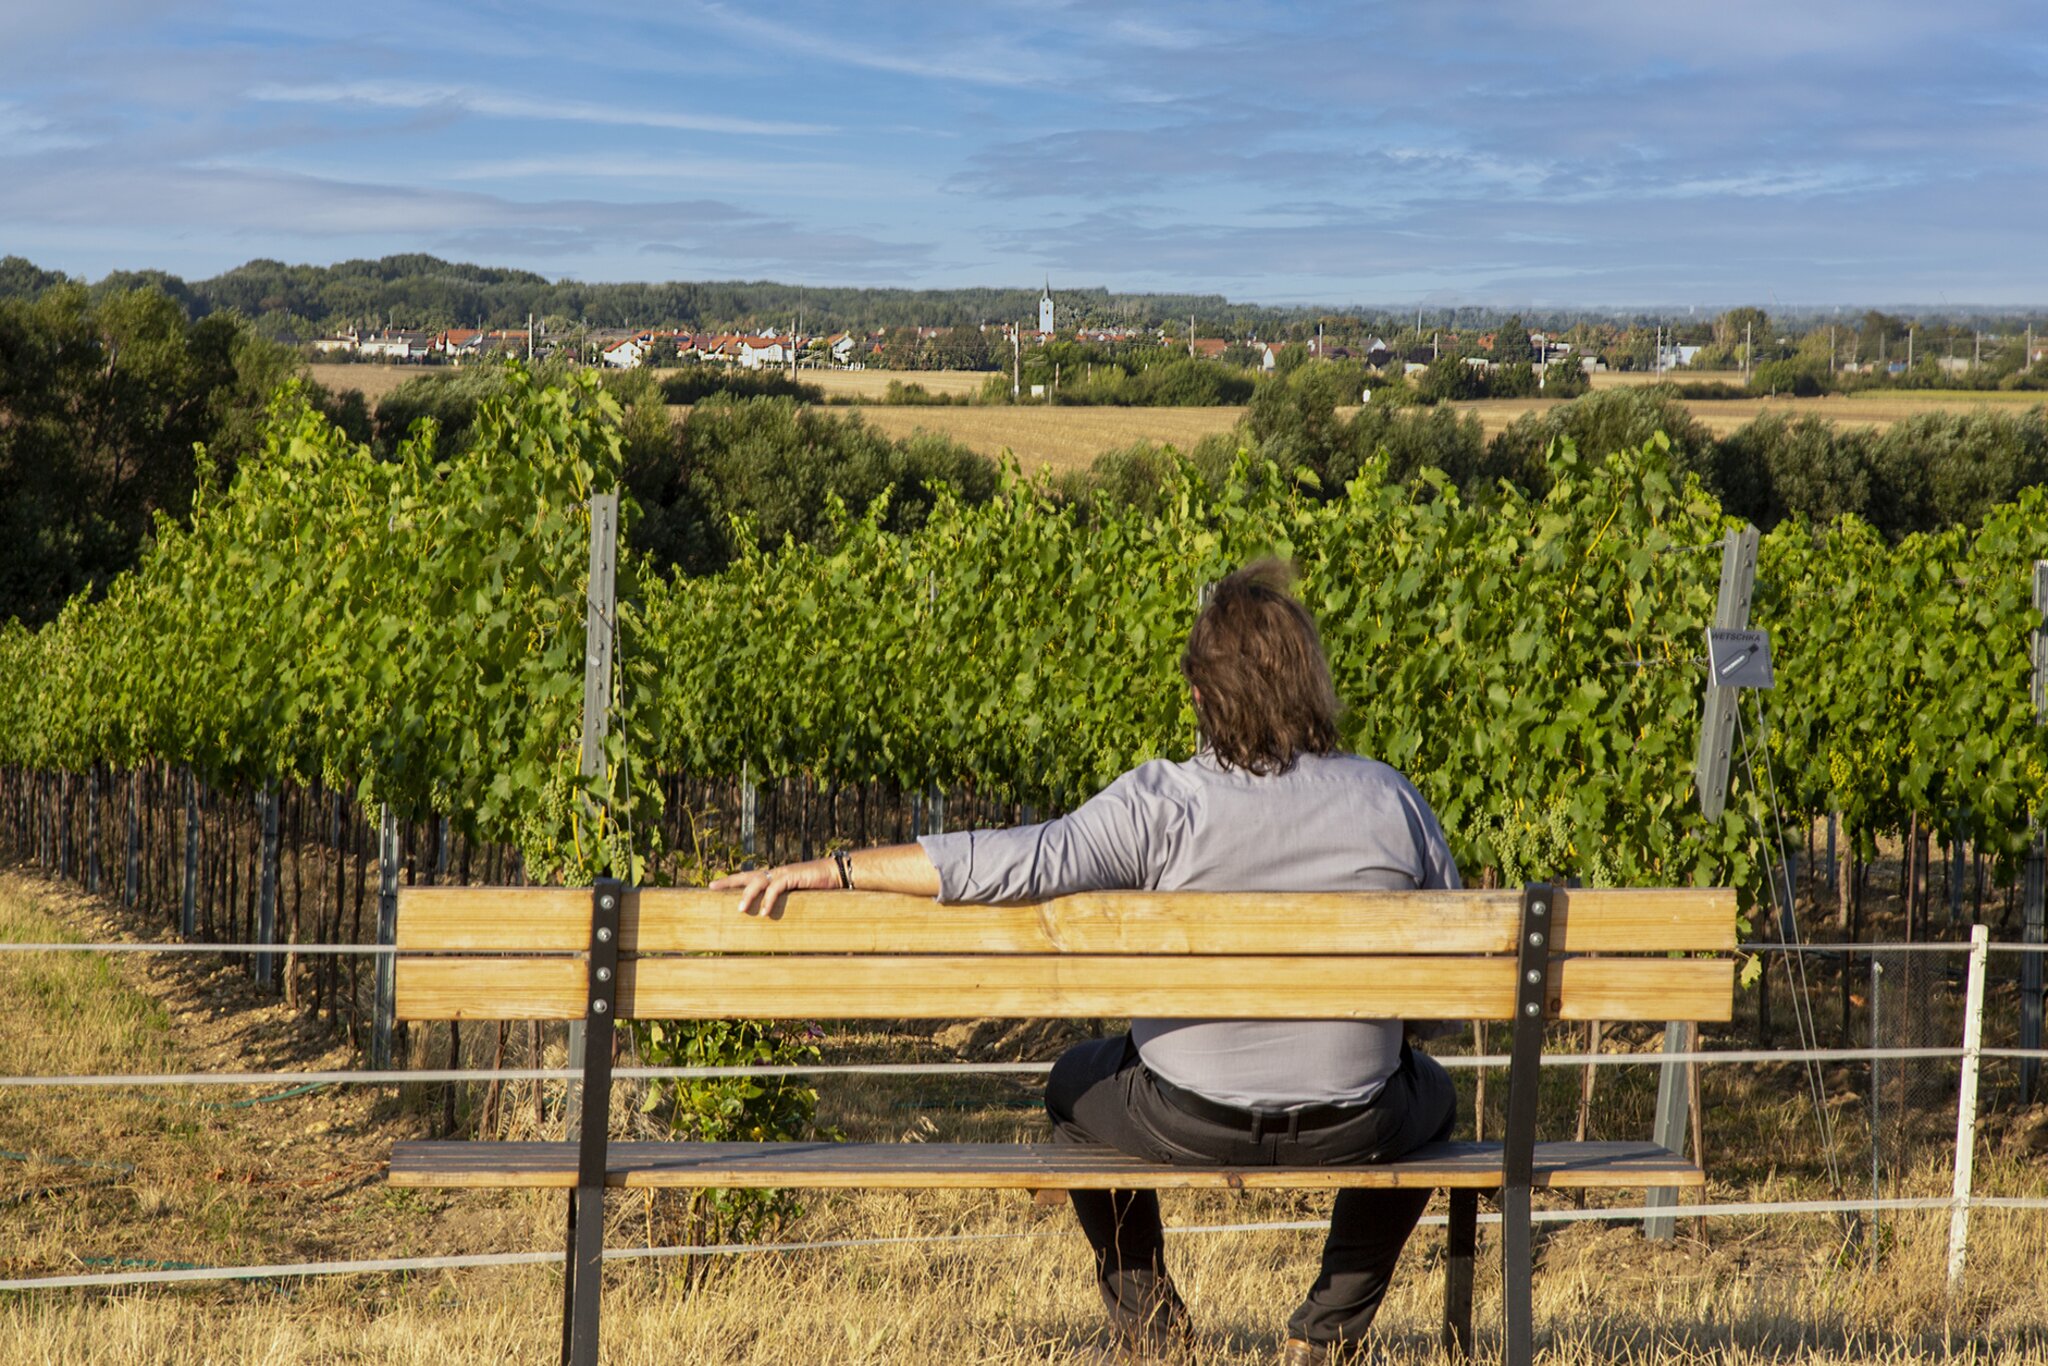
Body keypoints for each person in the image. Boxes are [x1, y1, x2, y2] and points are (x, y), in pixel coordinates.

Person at [713, 560, 1459, 1364]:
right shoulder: (1390, 799)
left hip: (1182, 1116)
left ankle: (1151, 1325)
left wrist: (838, 868)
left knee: (1073, 1082)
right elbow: (1447, 991)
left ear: (1201, 695)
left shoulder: (1162, 803)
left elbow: (1018, 859)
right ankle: (1329, 1331)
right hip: (1359, 1122)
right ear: (1311, 683)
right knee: (1436, 1099)